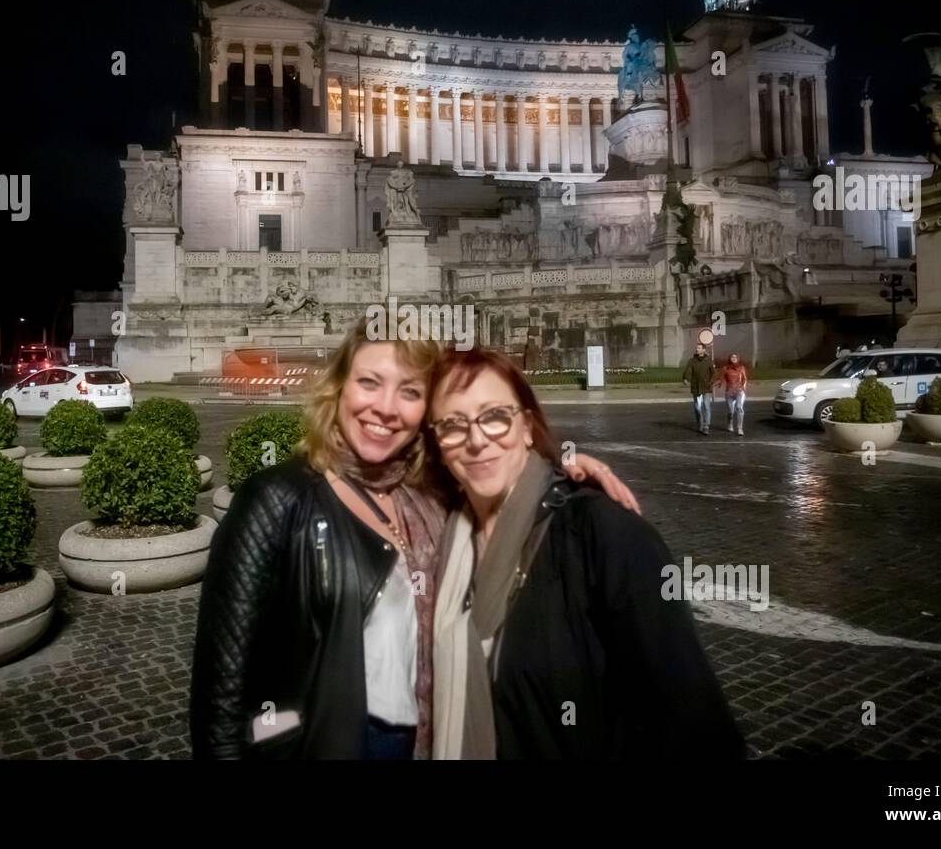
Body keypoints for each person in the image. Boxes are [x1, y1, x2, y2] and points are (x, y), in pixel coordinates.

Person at [190, 319, 636, 759]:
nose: (386, 408)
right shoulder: (274, 502)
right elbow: (220, 703)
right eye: (370, 382)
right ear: (340, 387)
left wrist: (564, 476)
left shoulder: (435, 493)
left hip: (431, 740)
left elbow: (501, 476)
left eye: (409, 391)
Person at [429, 347, 745, 759]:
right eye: (452, 425)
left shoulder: (604, 533)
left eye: (495, 416)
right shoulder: (443, 534)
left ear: (526, 426)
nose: (475, 439)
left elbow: (696, 726)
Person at [681, 343, 715, 435]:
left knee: (706, 406)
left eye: (699, 348)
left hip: (706, 387)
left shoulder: (708, 361)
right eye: (697, 348)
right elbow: (688, 370)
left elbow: (713, 373)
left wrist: (710, 382)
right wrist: (685, 378)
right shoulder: (692, 360)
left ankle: (706, 426)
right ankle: (700, 424)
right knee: (697, 407)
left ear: (704, 350)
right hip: (696, 387)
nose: (697, 349)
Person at [716, 353, 748, 436]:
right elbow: (721, 378)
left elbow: (744, 379)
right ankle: (730, 424)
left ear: (738, 358)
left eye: (735, 357)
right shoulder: (725, 368)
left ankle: (739, 428)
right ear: (729, 358)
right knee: (731, 411)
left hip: (739, 391)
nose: (733, 358)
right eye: (732, 357)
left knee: (739, 407)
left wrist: (743, 388)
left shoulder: (741, 368)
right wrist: (717, 384)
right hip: (729, 392)